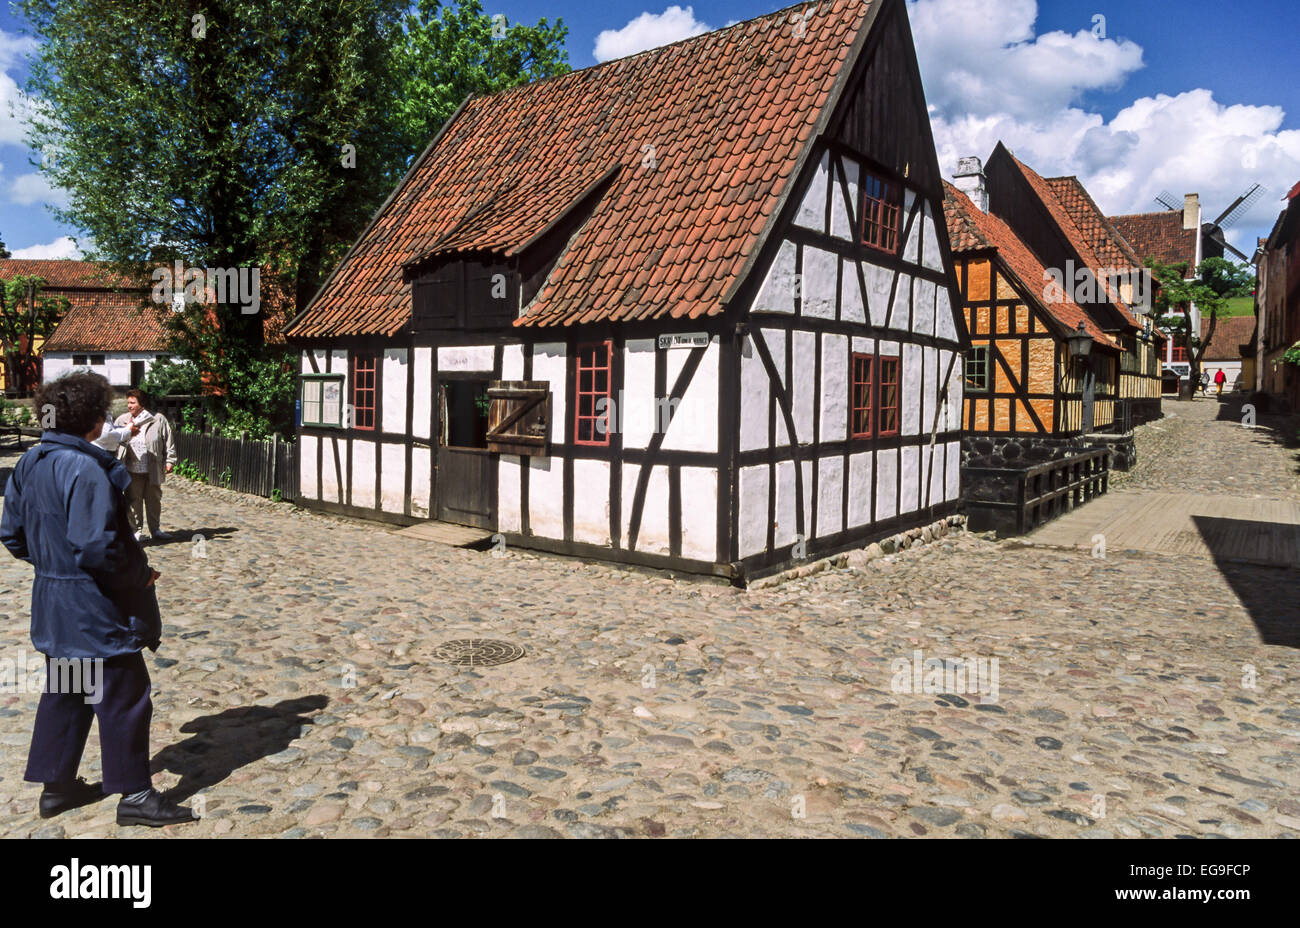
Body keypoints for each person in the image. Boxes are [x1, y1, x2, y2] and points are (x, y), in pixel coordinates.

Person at [0, 371, 196, 827]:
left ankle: (57, 785)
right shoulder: (86, 468)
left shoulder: (31, 462)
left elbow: (12, 534)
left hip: (55, 603)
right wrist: (141, 576)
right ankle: (136, 794)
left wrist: (54, 569)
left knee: (68, 691)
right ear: (91, 419)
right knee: (124, 695)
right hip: (97, 609)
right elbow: (97, 547)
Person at [113, 389, 176, 541]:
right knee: (134, 500)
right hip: (131, 467)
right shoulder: (122, 420)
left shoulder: (158, 419)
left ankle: (156, 530)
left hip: (152, 467)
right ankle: (137, 531)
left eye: (132, 402)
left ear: (142, 403)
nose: (129, 406)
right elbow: (113, 441)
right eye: (128, 402)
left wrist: (170, 460)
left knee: (154, 499)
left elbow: (169, 440)